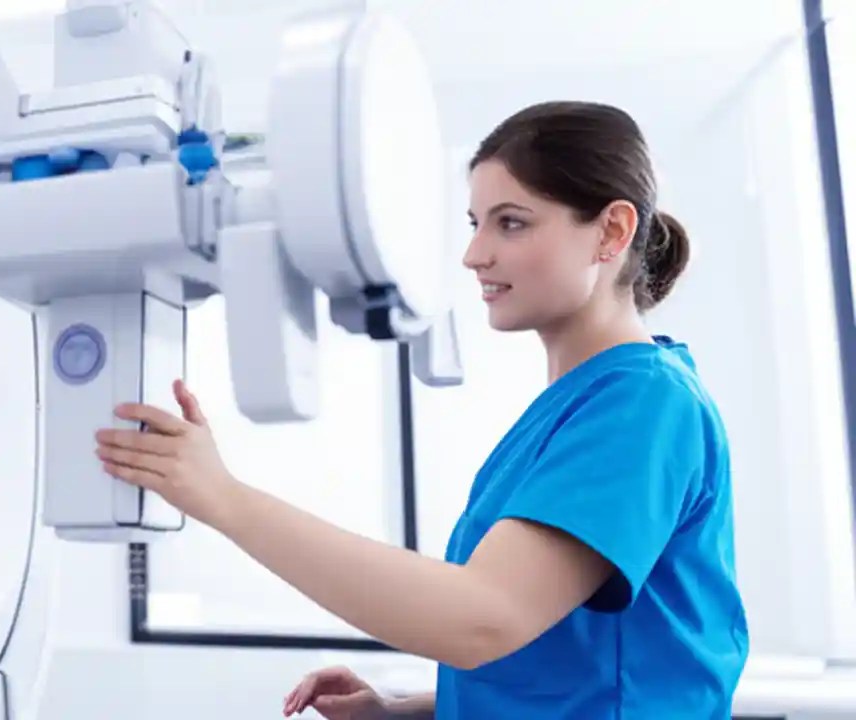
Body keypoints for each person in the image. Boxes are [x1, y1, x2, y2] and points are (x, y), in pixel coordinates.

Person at [93, 100, 749, 719]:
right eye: (475, 224)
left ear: (611, 230)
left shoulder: (643, 403)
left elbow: (482, 618)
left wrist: (224, 499)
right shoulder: (581, 407)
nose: (474, 254)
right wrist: (412, 710)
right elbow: (572, 659)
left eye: (511, 222)